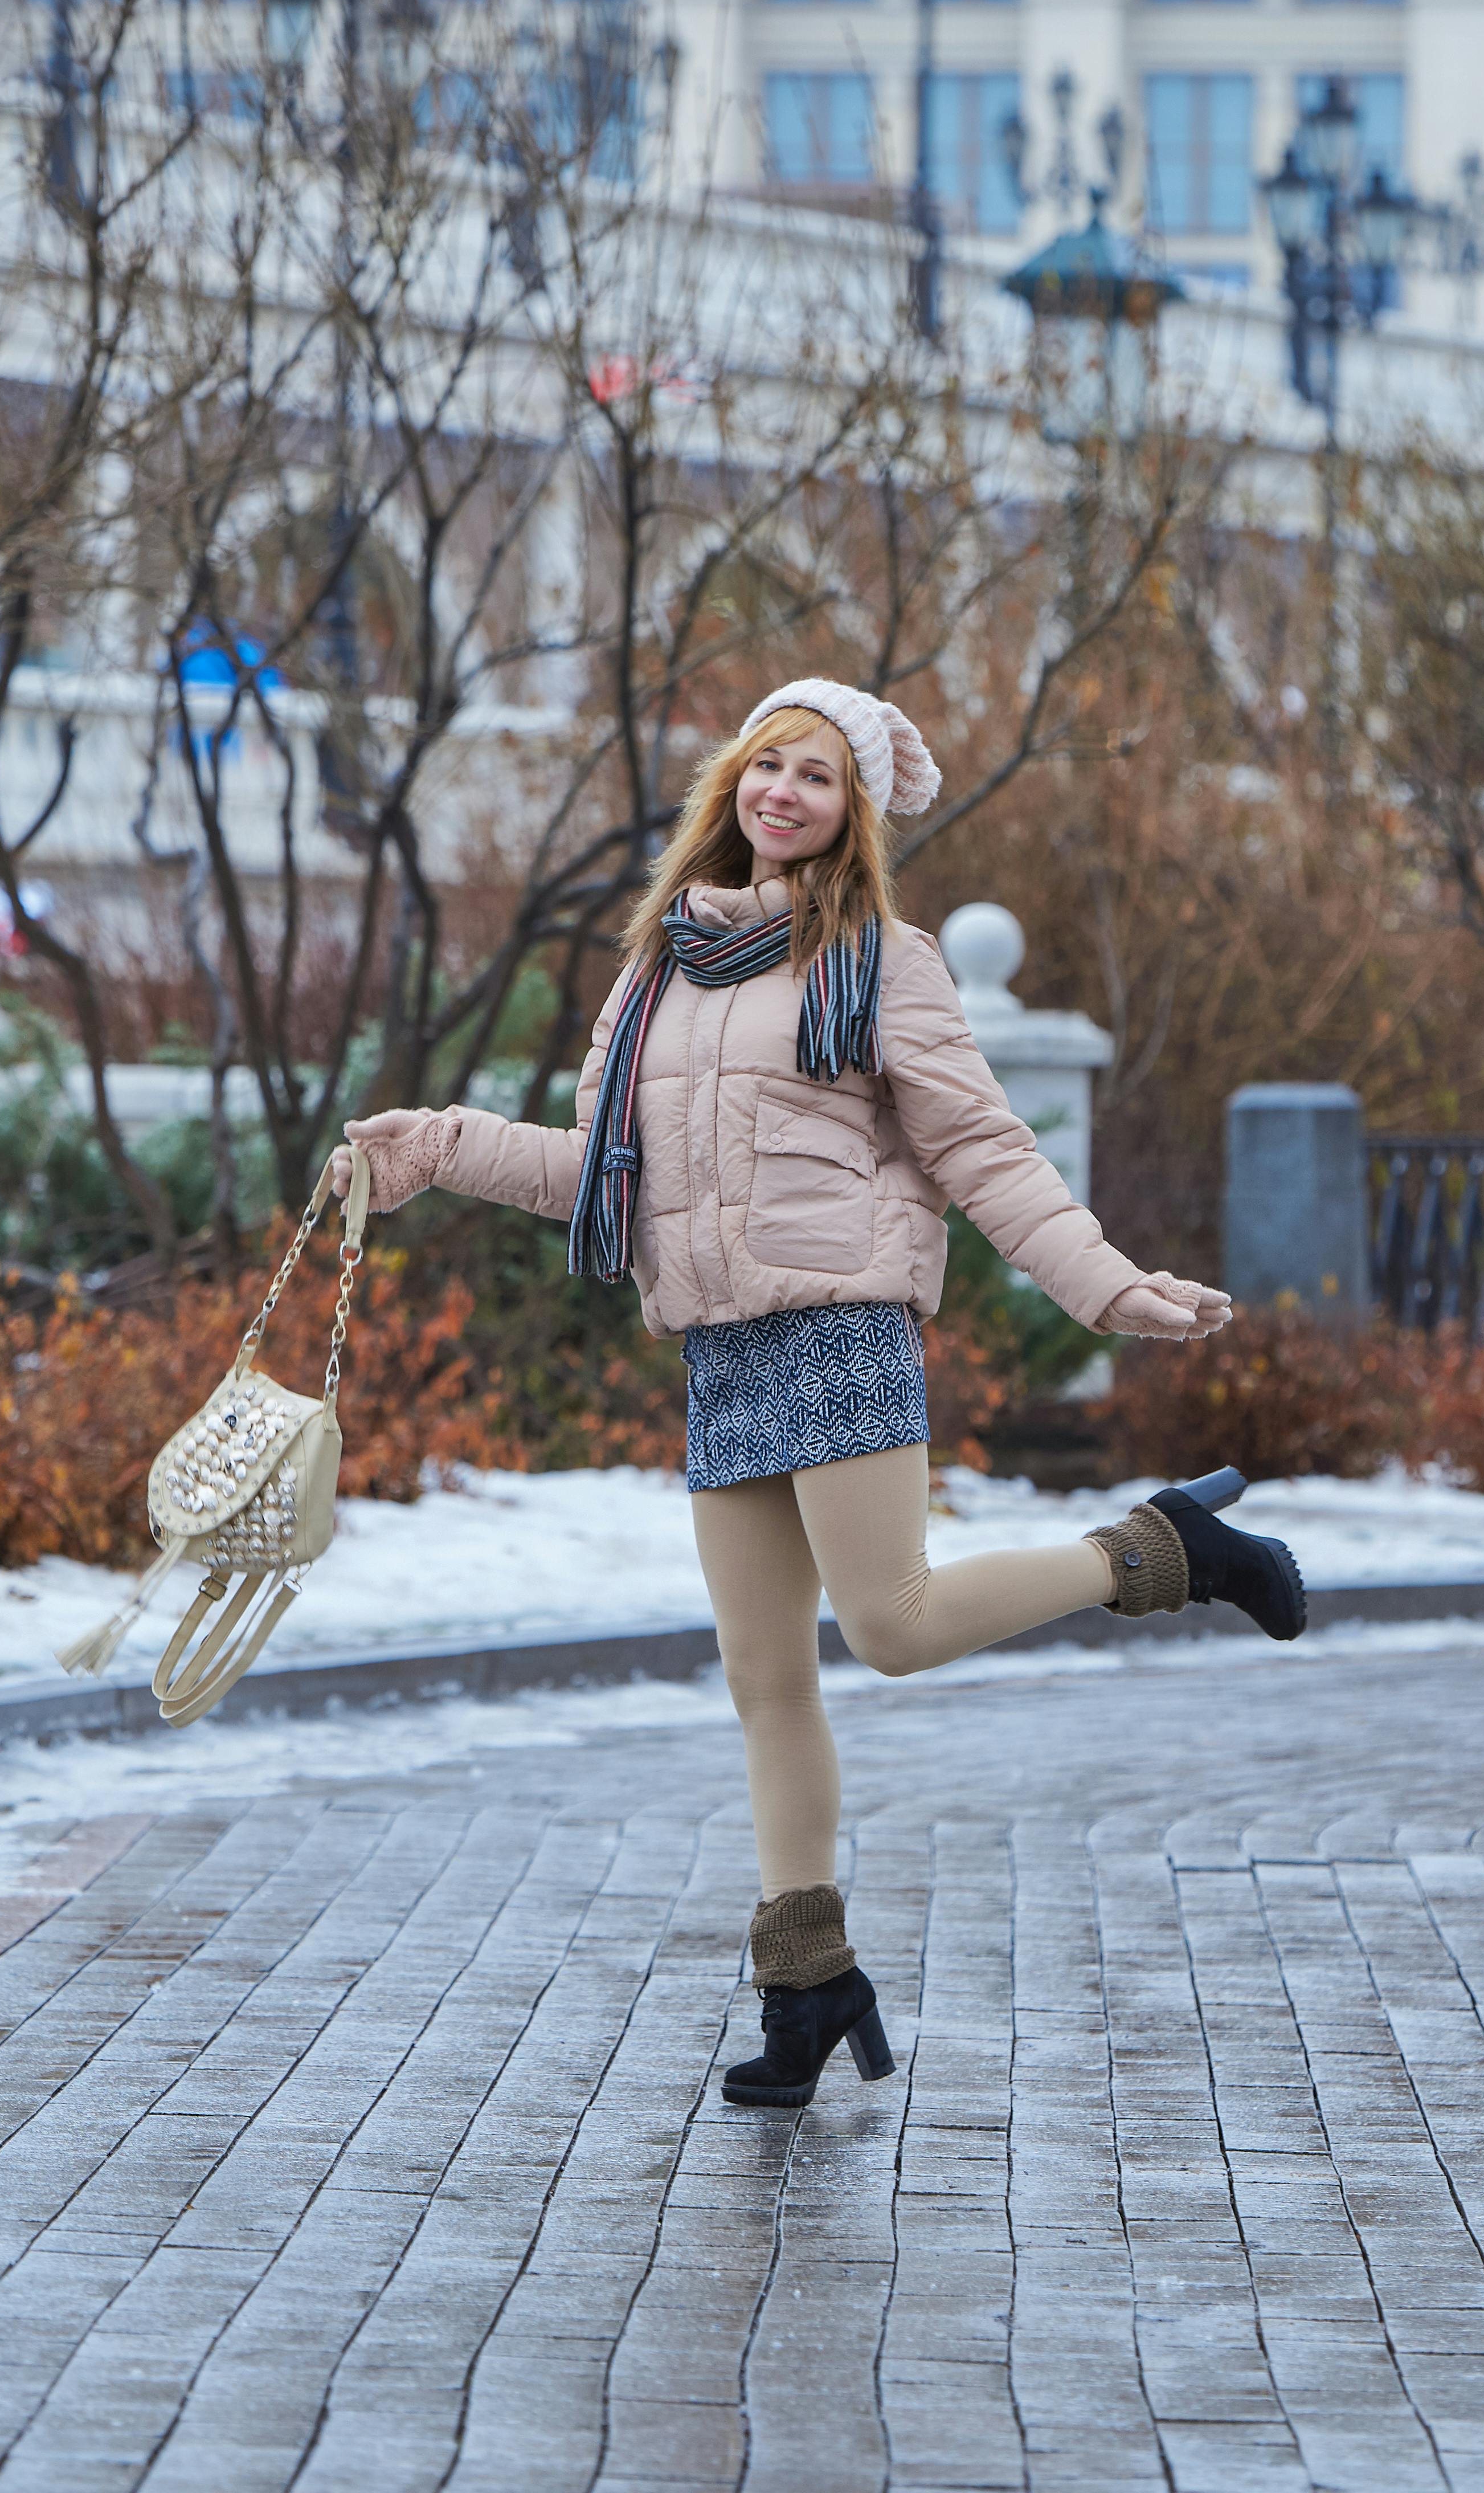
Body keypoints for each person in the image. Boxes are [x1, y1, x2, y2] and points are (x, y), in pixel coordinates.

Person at [332, 680, 1304, 2111]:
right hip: (720, 1347)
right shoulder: (654, 973)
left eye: (818, 776)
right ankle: (805, 1985)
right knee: (765, 1683)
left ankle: (1164, 1550)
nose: (782, 792)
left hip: (842, 1325)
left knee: (890, 1627)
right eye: (765, 766)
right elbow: (609, 1169)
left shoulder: (881, 962)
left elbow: (983, 1150)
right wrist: (440, 1144)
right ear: (730, 784)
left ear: (853, 815)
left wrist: (1104, 1285)